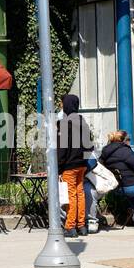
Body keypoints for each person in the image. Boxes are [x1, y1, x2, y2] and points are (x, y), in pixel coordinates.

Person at [57, 94, 93, 237]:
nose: (61, 106)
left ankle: (70, 226)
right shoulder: (83, 123)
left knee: (71, 195)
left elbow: (62, 149)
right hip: (82, 165)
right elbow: (89, 147)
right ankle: (81, 225)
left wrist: (59, 167)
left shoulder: (65, 123)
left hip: (69, 166)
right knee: (80, 194)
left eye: (62, 103)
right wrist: (82, 159)